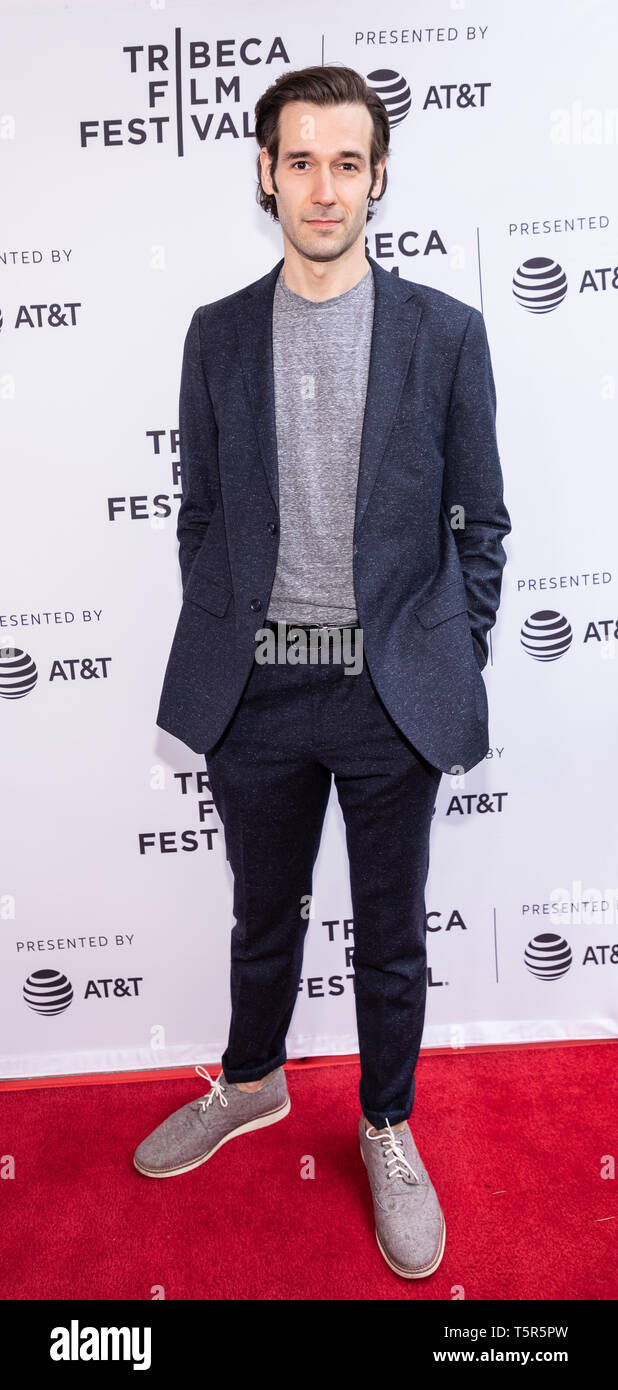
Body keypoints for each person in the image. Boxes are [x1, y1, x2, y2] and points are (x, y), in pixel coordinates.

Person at [134, 64, 511, 1281]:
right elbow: (198, 517)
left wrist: (448, 647)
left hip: (390, 688)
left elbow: (482, 525)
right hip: (258, 687)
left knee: (391, 932)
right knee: (261, 912)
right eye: (299, 160)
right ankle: (252, 1082)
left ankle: (386, 1121)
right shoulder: (216, 334)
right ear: (264, 173)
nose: (323, 186)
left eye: (347, 162)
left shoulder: (449, 332)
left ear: (380, 177)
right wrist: (233, 636)